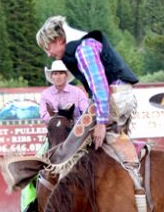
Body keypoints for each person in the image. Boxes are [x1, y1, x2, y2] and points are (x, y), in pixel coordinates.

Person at [35, 15, 138, 150]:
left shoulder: (83, 50)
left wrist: (101, 123)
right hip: (118, 96)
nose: (48, 54)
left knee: (83, 142)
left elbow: (99, 85)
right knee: (86, 141)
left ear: (58, 40)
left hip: (115, 97)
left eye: (48, 47)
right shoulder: (83, 45)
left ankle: (132, 166)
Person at [20, 60, 90, 212]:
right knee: (33, 169)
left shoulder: (77, 93)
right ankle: (32, 207)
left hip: (76, 136)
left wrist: (72, 120)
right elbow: (44, 115)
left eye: (61, 73)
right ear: (52, 76)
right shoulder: (46, 94)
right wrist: (58, 117)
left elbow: (86, 111)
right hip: (53, 137)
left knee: (95, 162)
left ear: (67, 76)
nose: (58, 76)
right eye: (55, 73)